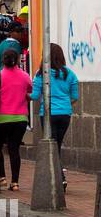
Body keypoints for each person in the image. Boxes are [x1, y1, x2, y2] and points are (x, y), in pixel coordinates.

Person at [29, 44, 79, 190]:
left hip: (48, 114)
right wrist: (63, 103)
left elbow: (35, 96)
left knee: (53, 146)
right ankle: (58, 176)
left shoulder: (40, 74)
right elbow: (75, 97)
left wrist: (24, 96)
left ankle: (60, 178)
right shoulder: (70, 74)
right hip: (64, 114)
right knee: (56, 145)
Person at [0, 47, 33, 191]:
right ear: (18, 60)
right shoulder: (24, 76)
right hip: (20, 119)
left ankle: (2, 178)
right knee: (14, 149)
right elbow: (30, 90)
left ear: (2, 61)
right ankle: (15, 182)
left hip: (1, 119)